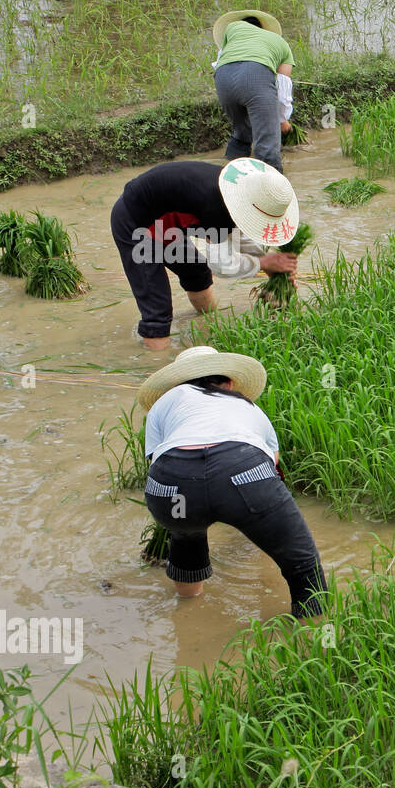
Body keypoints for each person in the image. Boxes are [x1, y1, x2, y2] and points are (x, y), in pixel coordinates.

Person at [138, 345, 328, 619]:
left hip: (172, 491)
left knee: (187, 532)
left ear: (176, 384)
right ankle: (315, 634)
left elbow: (156, 461)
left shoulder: (163, 404)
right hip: (242, 473)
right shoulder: (247, 405)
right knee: (302, 563)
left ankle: (188, 611)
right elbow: (272, 463)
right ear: (229, 382)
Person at [111, 158, 300, 351]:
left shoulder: (239, 193)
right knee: (158, 311)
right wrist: (263, 263)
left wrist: (272, 268)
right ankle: (157, 365)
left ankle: (208, 324)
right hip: (134, 224)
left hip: (168, 222)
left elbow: (240, 236)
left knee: (197, 272)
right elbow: (223, 266)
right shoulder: (216, 207)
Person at [212, 9, 295, 172]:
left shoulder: (232, 31)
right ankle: (272, 190)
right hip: (256, 78)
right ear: (263, 29)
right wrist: (283, 119)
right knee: (267, 145)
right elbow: (283, 89)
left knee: (242, 133)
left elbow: (220, 60)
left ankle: (230, 177)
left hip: (223, 79)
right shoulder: (279, 43)